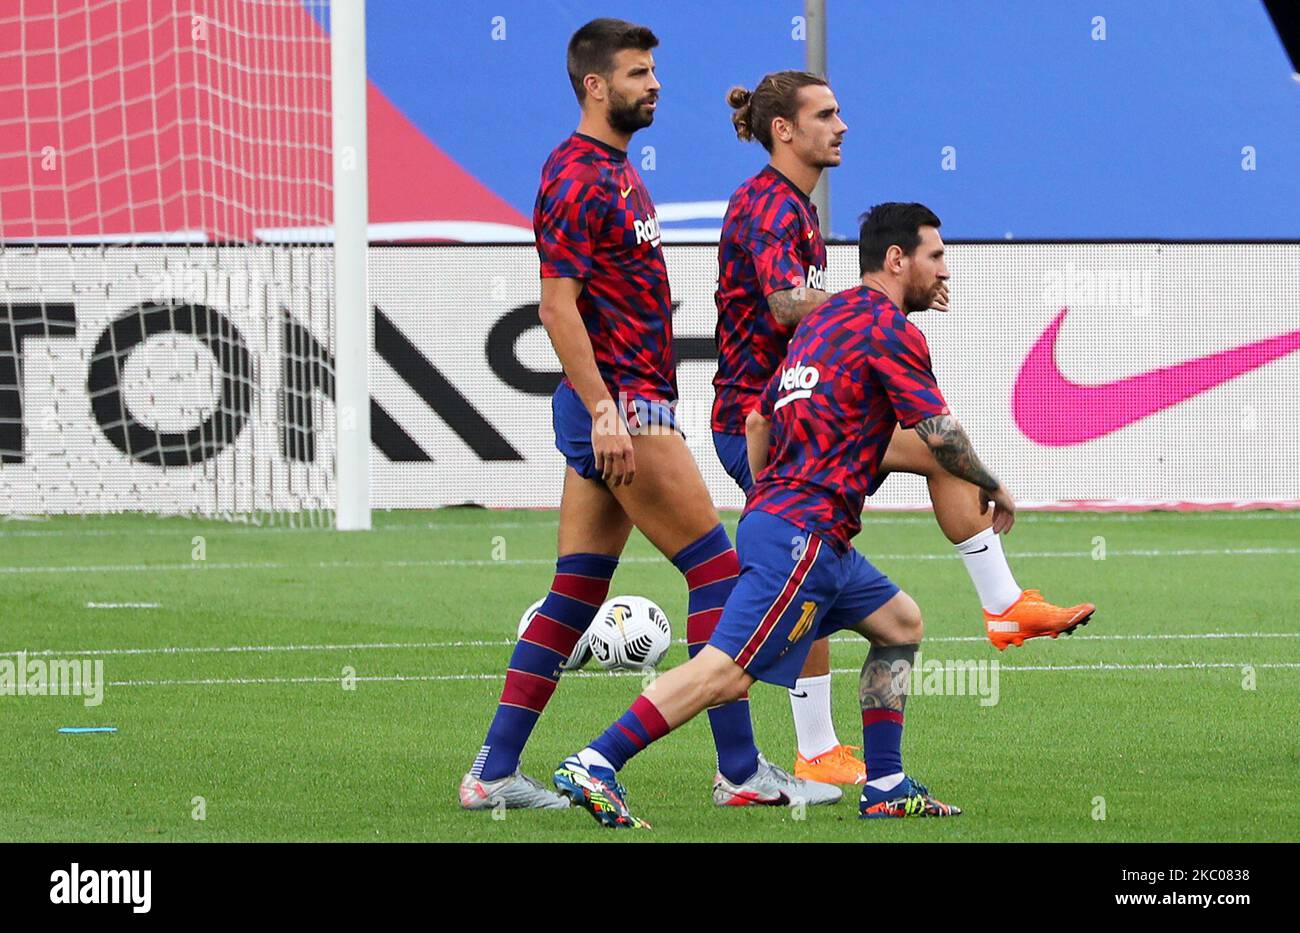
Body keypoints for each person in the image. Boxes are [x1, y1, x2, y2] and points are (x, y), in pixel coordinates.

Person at [459, 19, 840, 813]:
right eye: (638, 73)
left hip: (627, 403)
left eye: (654, 72)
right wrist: (605, 410)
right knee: (719, 573)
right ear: (596, 86)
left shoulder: (619, 171)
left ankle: (493, 771)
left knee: (573, 592)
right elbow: (556, 307)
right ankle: (738, 771)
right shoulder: (574, 174)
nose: (654, 84)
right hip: (624, 407)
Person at [554, 203, 1016, 828]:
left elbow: (757, 419)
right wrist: (992, 485)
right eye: (936, 257)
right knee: (726, 673)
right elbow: (937, 433)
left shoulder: (825, 324)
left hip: (802, 526)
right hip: (803, 532)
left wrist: (776, 488)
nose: (945, 272)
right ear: (897, 260)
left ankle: (884, 783)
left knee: (900, 623)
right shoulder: (890, 329)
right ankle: (595, 761)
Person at [711, 73, 1095, 786]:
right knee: (811, 564)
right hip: (761, 419)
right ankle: (814, 746)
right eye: (826, 113)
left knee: (945, 450)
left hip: (811, 414)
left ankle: (1005, 606)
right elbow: (787, 305)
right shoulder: (766, 203)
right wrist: (879, 299)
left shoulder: (793, 205)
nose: (843, 124)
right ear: (785, 131)